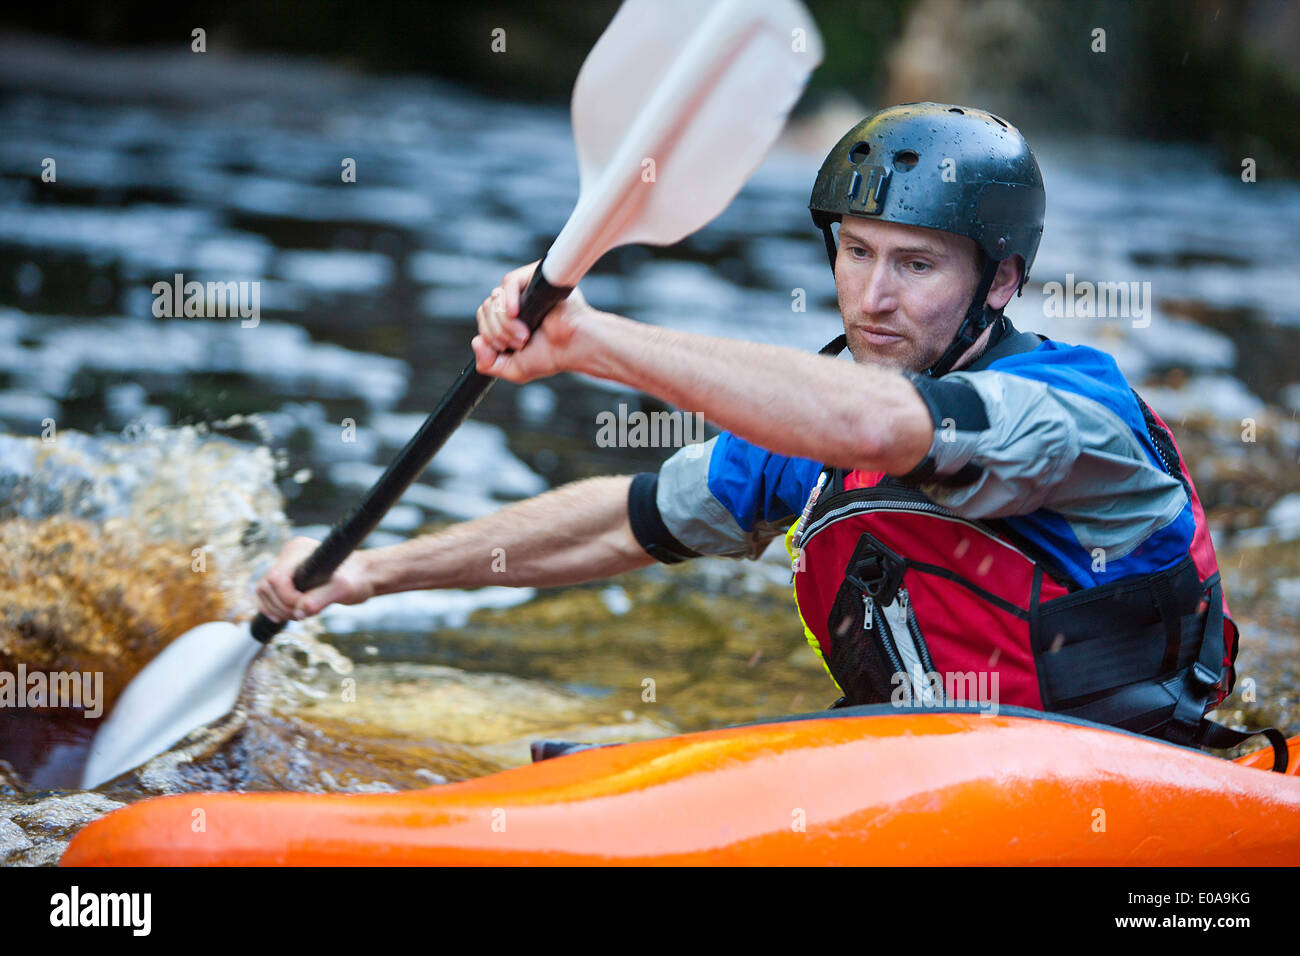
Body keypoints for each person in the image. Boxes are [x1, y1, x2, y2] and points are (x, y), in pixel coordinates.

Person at [256, 103, 1285, 766]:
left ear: (1000, 281)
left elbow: (884, 425)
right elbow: (622, 523)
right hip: (913, 766)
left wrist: (591, 340)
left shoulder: (1068, 410)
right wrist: (367, 572)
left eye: (916, 264)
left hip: (1133, 768)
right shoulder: (809, 419)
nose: (873, 297)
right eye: (855, 252)